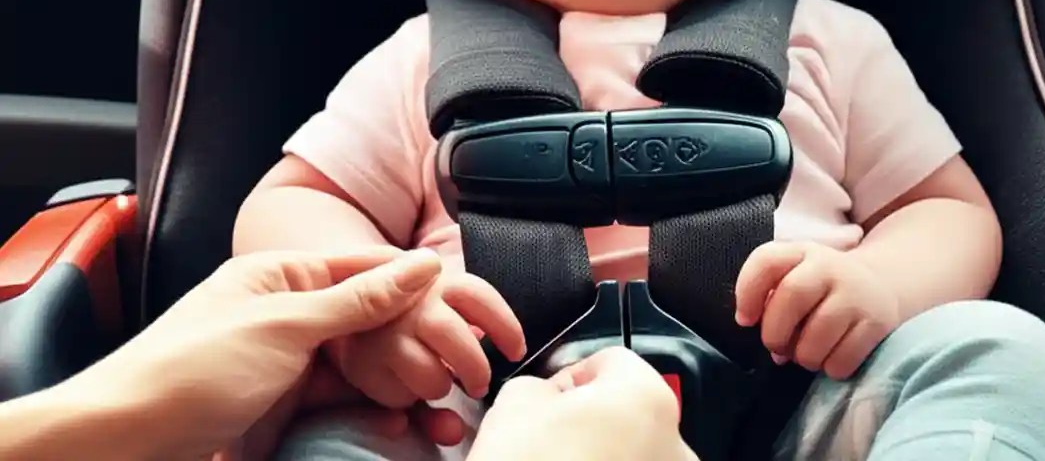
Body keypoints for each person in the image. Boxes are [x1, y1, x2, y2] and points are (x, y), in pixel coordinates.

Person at [232, 0, 1045, 459]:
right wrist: (381, 302)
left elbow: (946, 210)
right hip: (481, 419)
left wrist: (878, 287)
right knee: (331, 437)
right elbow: (294, 206)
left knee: (1003, 350)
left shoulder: (829, 41)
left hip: (798, 414)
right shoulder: (419, 60)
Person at [0, 247, 692, 461]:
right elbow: (299, 215)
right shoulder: (420, 59)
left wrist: (808, 283)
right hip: (439, 423)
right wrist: (379, 316)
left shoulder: (804, 39)